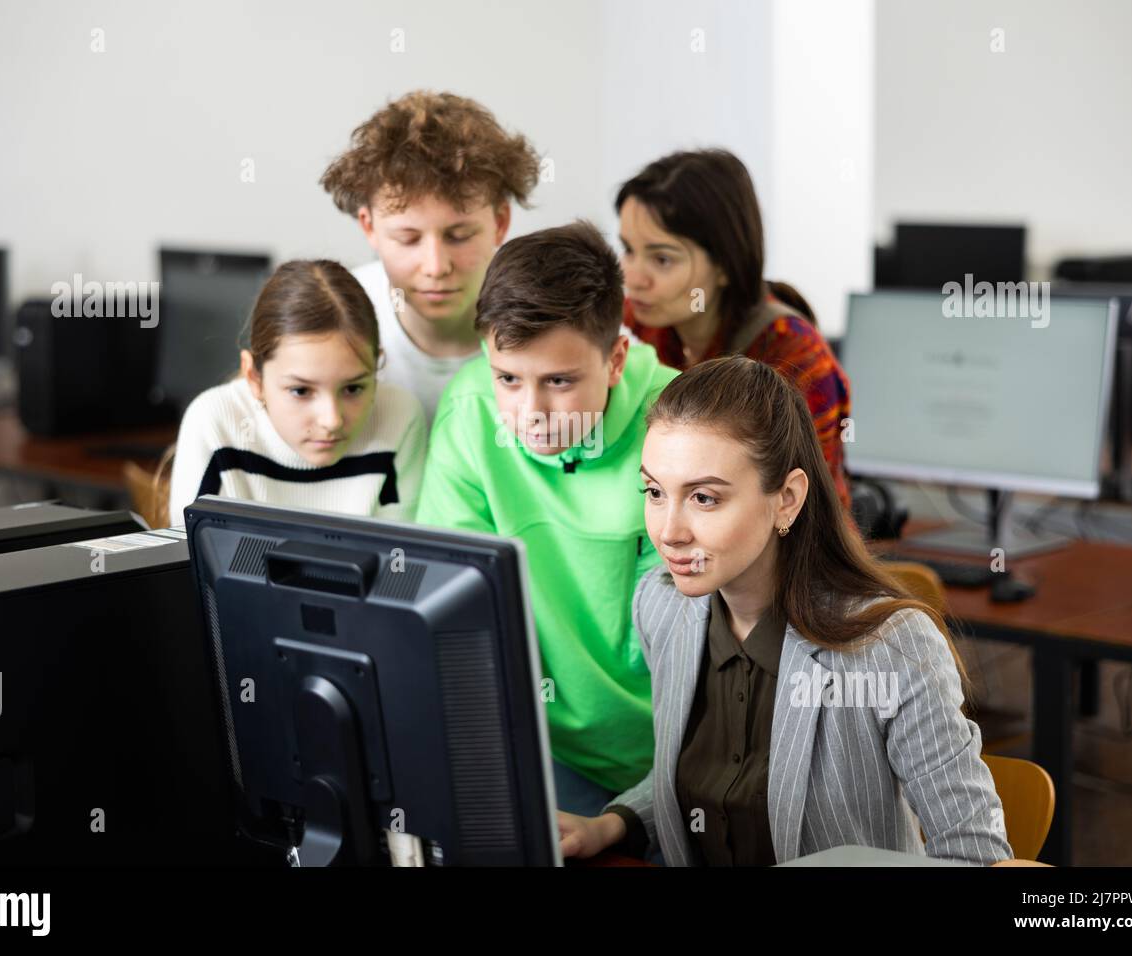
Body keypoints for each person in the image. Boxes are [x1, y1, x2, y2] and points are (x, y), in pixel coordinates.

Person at [558, 356, 1013, 866]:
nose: (668, 531)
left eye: (704, 498)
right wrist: (611, 825)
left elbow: (976, 854)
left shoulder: (893, 647)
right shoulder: (663, 607)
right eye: (655, 492)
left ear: (788, 499)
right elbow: (698, 782)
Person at [416, 222, 678, 816]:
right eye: (507, 378)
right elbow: (453, 611)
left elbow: (692, 641)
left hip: (674, 759)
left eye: (559, 381)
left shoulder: (680, 423)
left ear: (614, 360)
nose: (530, 414)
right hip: (541, 753)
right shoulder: (469, 414)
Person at [616, 148, 854, 509]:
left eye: (662, 259)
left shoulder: (794, 356)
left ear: (725, 265)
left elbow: (803, 514)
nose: (632, 278)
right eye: (628, 250)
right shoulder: (638, 324)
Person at [320, 90, 541, 423]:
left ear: (500, 222)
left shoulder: (554, 320)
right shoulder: (332, 315)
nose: (436, 267)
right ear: (369, 226)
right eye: (407, 239)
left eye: (460, 236)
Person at [168, 259, 426, 525]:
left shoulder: (400, 417)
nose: (331, 421)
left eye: (353, 388)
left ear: (376, 366)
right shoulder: (214, 422)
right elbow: (193, 562)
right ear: (254, 377)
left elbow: (400, 561)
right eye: (301, 391)